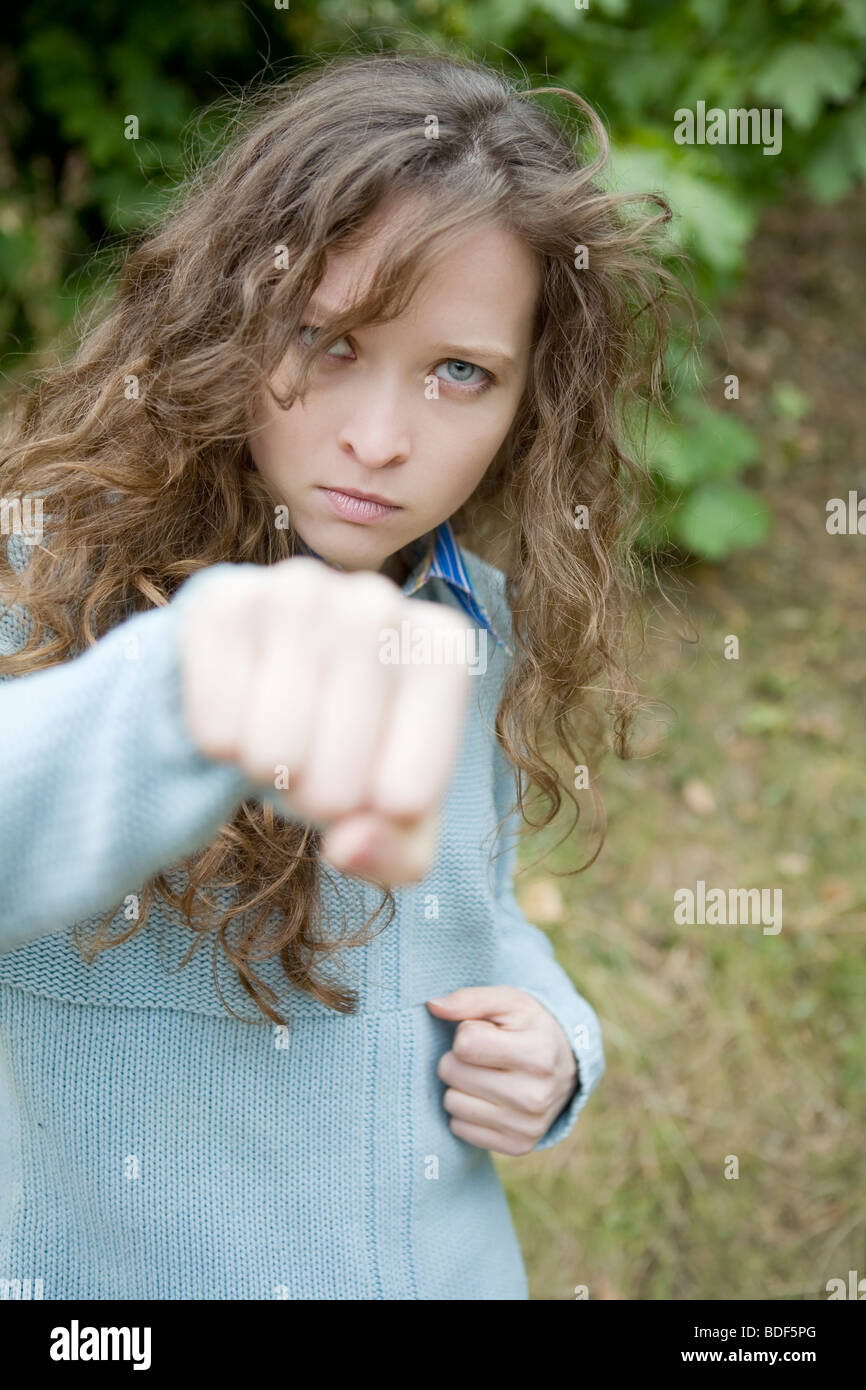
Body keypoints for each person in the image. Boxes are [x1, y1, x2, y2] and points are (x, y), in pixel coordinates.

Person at [0, 48, 688, 1300]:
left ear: (528, 400)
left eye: (457, 372)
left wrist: (553, 1041)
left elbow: (469, 915)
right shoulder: (34, 571)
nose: (378, 439)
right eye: (325, 342)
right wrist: (180, 689)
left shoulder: (470, 621)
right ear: (224, 316)